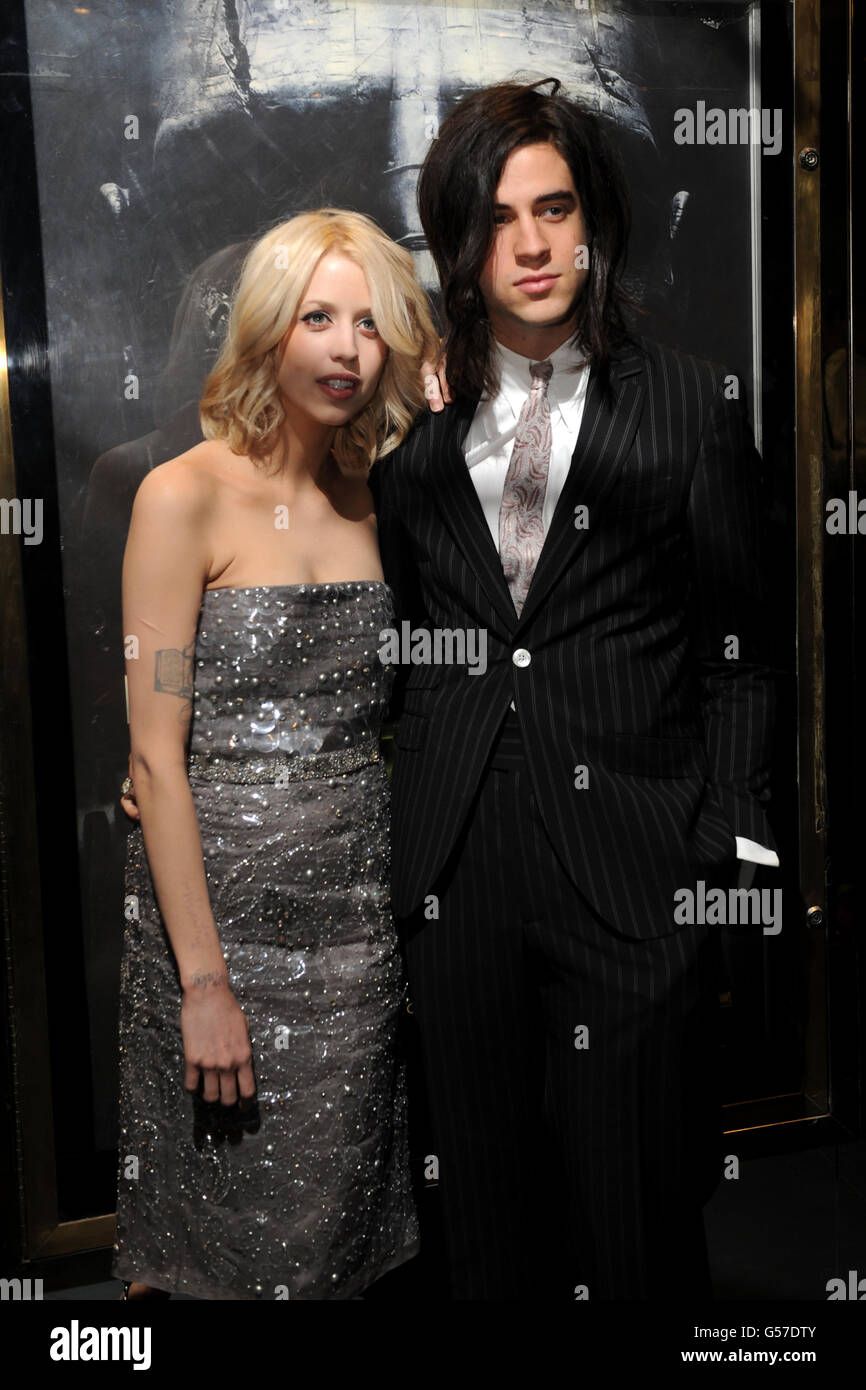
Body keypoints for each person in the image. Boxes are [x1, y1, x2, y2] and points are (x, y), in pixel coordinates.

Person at [369, 78, 780, 1300]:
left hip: (634, 865)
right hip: (458, 867)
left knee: (636, 1208)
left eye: (552, 209)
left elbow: (747, 645)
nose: (532, 244)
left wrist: (725, 843)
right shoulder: (411, 427)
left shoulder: (688, 405)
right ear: (456, 241)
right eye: (496, 219)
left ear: (590, 221)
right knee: (481, 1216)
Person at [112, 208, 439, 1300]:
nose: (347, 349)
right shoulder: (181, 497)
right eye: (317, 318)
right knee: (219, 1244)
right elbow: (155, 757)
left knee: (338, 1245)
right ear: (266, 330)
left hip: (354, 934)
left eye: (371, 323)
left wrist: (437, 372)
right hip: (220, 938)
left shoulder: (381, 496)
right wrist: (202, 984)